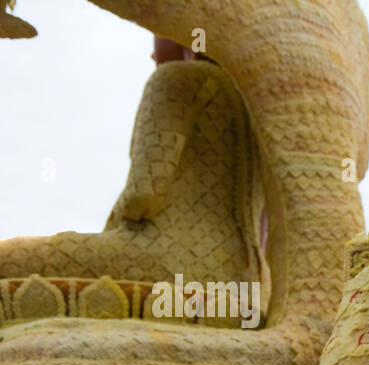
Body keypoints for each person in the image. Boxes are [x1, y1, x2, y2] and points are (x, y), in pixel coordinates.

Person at [0, 36, 266, 328]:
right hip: (250, 280)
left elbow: (145, 195)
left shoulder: (176, 78)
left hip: (167, 260)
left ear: (185, 40)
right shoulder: (259, 104)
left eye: (158, 32)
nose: (152, 53)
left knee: (8, 260)